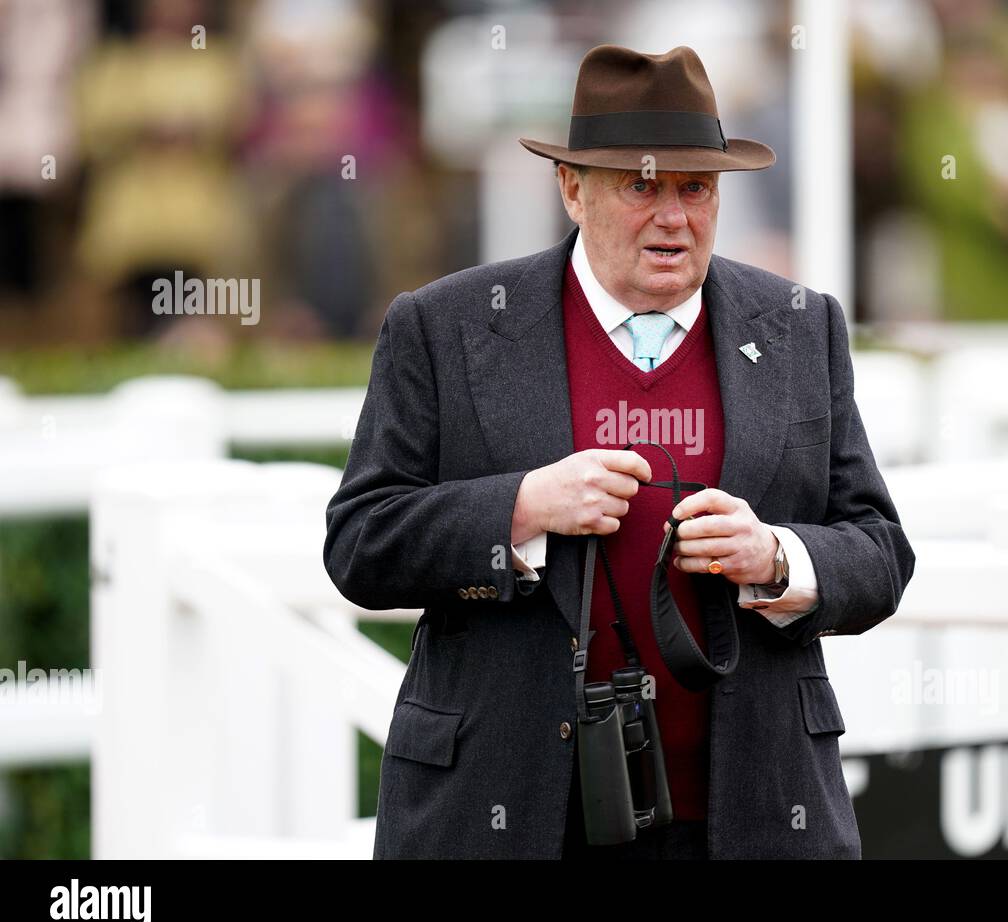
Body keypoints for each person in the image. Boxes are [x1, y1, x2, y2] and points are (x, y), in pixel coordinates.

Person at [323, 44, 915, 860]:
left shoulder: (799, 325)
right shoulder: (444, 326)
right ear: (572, 188)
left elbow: (881, 553)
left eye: (695, 188)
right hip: (507, 816)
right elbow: (360, 542)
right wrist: (522, 507)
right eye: (642, 185)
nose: (674, 216)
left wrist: (777, 556)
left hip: (747, 819)